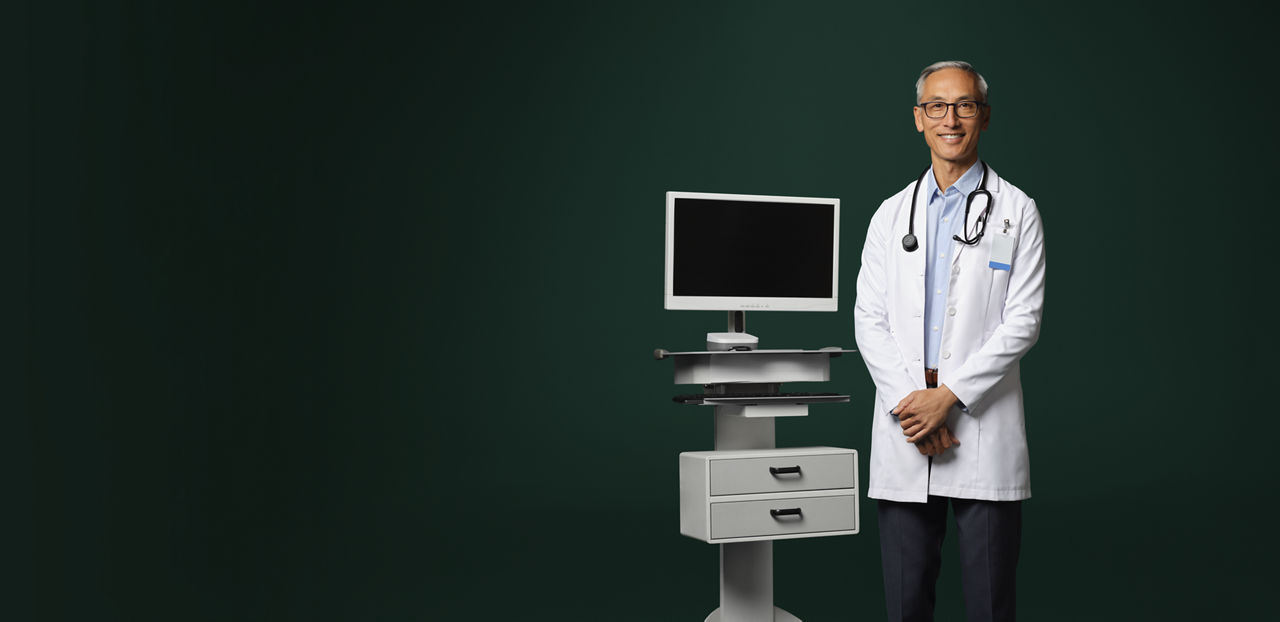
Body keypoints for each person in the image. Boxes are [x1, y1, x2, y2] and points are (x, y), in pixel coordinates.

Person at [853, 61, 1047, 622]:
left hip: (979, 430)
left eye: (964, 105)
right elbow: (869, 319)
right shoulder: (890, 217)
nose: (951, 119)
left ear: (983, 116)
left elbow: (1023, 321)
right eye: (937, 106)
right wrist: (915, 408)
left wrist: (950, 398)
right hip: (908, 428)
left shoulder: (1017, 211)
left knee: (990, 606)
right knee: (906, 605)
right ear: (919, 119)